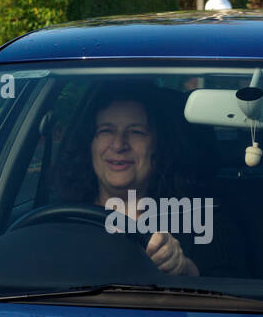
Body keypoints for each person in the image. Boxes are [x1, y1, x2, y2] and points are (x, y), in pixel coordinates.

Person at [52, 85, 214, 277]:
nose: (119, 144)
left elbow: (233, 297)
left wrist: (184, 268)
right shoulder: (58, 222)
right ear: (89, 144)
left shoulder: (200, 221)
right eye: (106, 131)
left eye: (136, 132)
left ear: (157, 146)